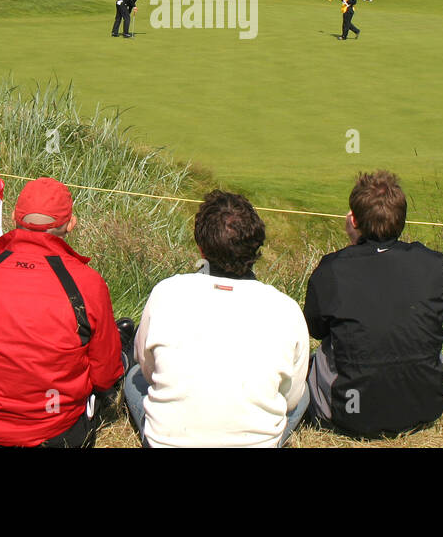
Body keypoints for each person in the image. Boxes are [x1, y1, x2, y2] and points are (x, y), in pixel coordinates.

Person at [0, 177, 124, 448]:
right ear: (71, 224)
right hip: (53, 430)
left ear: (15, 219)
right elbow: (105, 375)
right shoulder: (87, 283)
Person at [123, 189, 309, 447]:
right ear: (256, 248)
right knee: (305, 393)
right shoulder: (287, 309)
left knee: (133, 376)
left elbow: (148, 368)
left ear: (201, 248)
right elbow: (290, 398)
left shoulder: (166, 292)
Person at [304, 171, 443, 438]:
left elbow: (316, 329)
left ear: (353, 219)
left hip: (349, 415)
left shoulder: (332, 269)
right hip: (426, 407)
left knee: (314, 360)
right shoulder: (435, 264)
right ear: (402, 219)